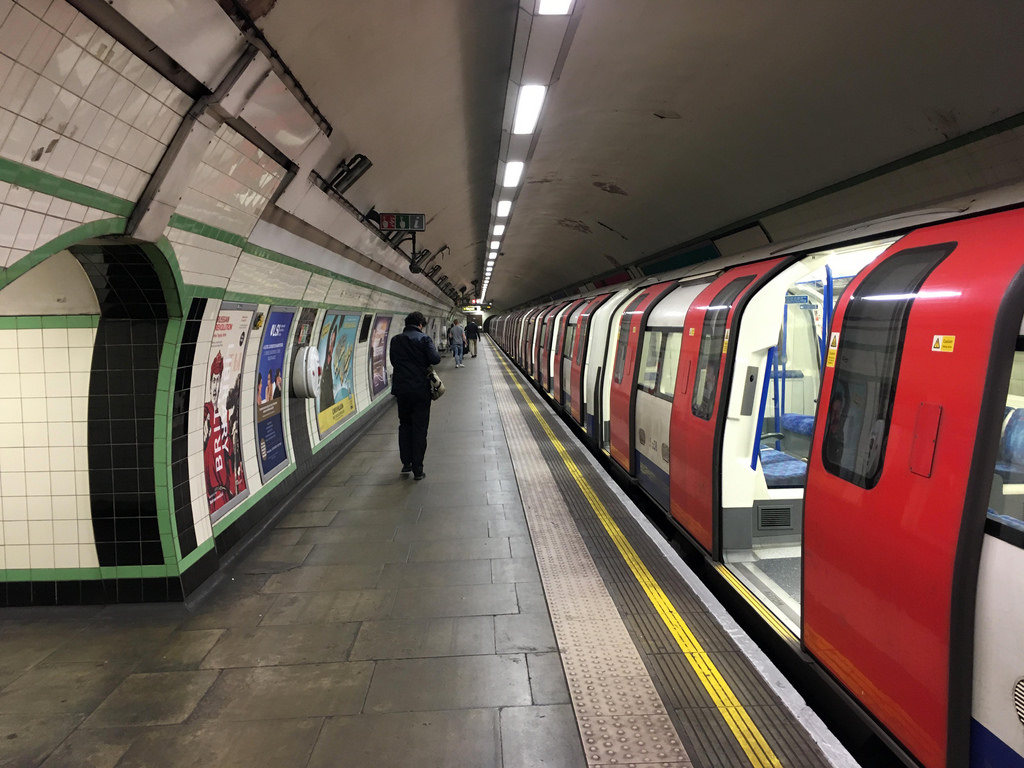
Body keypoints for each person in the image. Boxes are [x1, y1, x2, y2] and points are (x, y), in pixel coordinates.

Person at [390, 311, 441, 480]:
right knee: (419, 429)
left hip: (401, 390)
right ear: (420, 324)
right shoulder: (424, 339)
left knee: (404, 425)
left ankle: (406, 463)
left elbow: (393, 361)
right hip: (420, 390)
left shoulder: (395, 340)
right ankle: (418, 470)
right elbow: (435, 359)